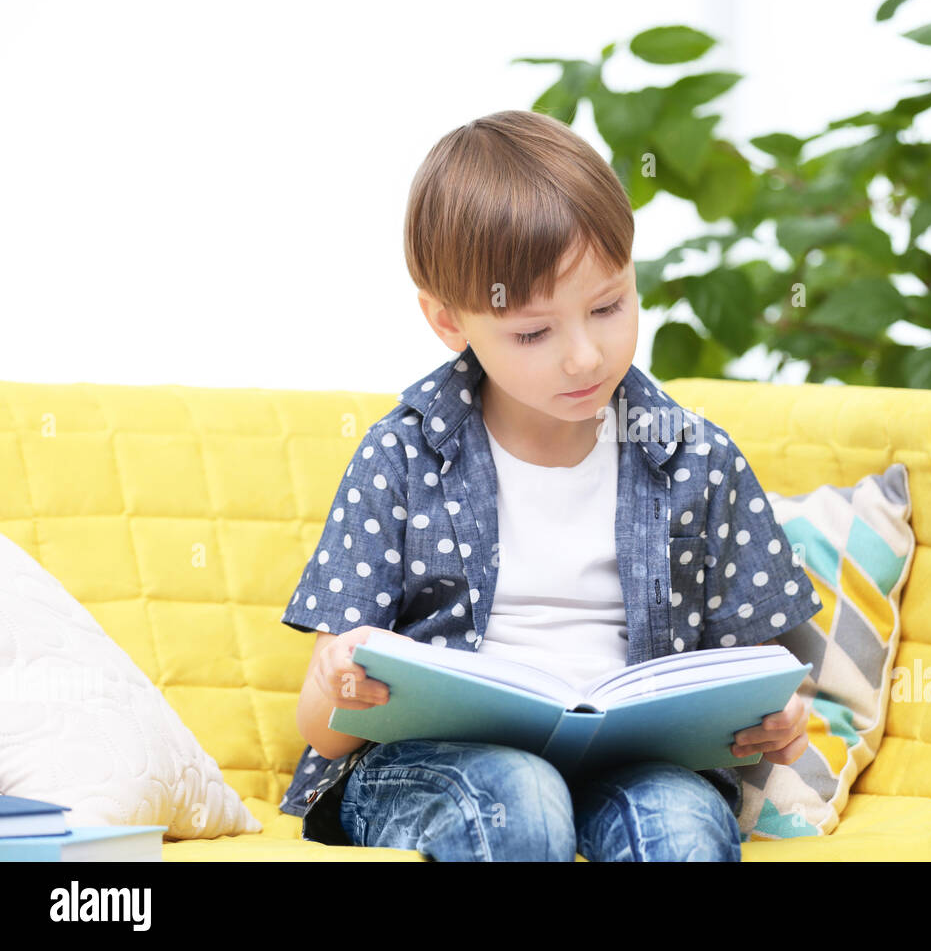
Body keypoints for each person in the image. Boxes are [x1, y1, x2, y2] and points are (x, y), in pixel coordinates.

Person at [277, 109, 822, 861]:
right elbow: (322, 727)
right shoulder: (402, 457)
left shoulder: (697, 457)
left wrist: (779, 722)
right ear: (447, 321)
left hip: (638, 768)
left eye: (609, 307)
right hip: (432, 766)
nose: (584, 356)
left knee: (683, 825)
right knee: (522, 796)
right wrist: (339, 683)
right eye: (534, 332)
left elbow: (765, 681)